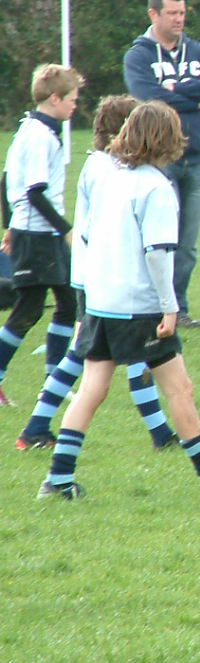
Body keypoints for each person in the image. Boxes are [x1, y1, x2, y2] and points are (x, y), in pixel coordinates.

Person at [37, 102, 200, 499]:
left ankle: (57, 480)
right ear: (167, 139)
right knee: (180, 389)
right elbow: (157, 254)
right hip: (138, 307)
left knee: (92, 389)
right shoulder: (156, 187)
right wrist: (170, 307)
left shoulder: (107, 175)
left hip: (101, 301)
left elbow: (87, 235)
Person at [15, 95, 176, 451]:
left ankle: (160, 433)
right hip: (104, 279)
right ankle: (37, 426)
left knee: (117, 355)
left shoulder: (100, 164)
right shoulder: (108, 169)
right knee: (89, 356)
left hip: (96, 276)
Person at [123, 0, 200, 328]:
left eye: (182, 13)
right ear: (153, 15)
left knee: (188, 244)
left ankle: (177, 309)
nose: (179, 19)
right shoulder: (139, 56)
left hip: (195, 159)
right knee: (159, 240)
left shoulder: (199, 51)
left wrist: (176, 90)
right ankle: (151, 306)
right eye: (172, 13)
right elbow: (149, 98)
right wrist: (196, 98)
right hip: (159, 163)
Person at [0, 64, 83, 409]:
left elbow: (6, 179)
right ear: (55, 99)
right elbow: (34, 192)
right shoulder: (39, 137)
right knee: (31, 307)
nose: (75, 105)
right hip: (38, 233)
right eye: (72, 99)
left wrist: (8, 225)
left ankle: (54, 382)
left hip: (35, 231)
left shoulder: (33, 128)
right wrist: (66, 230)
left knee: (67, 302)